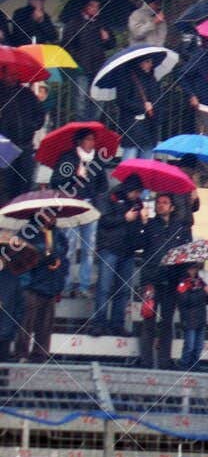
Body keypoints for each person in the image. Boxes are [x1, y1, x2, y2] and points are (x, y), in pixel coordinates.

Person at [51, 127, 109, 303]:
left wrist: (95, 194)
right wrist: (73, 177)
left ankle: (84, 285)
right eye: (88, 139)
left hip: (89, 206)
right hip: (71, 205)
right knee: (69, 247)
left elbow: (103, 185)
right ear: (80, 141)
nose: (92, 143)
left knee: (88, 249)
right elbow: (56, 181)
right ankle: (66, 285)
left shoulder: (97, 159)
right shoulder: (67, 158)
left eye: (93, 139)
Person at [90, 175, 143, 336]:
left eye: (138, 193)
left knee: (123, 290)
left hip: (127, 250)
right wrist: (124, 218)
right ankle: (99, 323)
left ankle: (117, 324)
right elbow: (104, 221)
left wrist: (142, 220)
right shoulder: (108, 197)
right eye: (135, 192)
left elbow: (136, 227)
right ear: (128, 189)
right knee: (104, 288)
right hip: (110, 248)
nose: (137, 195)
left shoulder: (137, 204)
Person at [18, 214, 65, 362]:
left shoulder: (58, 233)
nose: (53, 218)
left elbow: (63, 249)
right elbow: (24, 253)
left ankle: (40, 354)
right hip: (31, 284)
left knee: (46, 324)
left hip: (51, 283)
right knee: (26, 323)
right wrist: (44, 256)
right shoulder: (27, 231)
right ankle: (21, 353)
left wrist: (57, 258)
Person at [112, 53, 162, 160]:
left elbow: (158, 102)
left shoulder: (153, 80)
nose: (150, 64)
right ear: (140, 62)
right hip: (132, 127)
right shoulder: (126, 78)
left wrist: (154, 110)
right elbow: (122, 101)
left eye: (151, 62)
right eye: (147, 61)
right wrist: (143, 108)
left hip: (149, 129)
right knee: (129, 162)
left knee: (146, 167)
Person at [174, 262, 208, 370]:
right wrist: (202, 293)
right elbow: (185, 300)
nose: (194, 271)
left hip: (200, 317)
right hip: (189, 318)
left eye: (195, 268)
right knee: (189, 345)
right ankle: (184, 363)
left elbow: (207, 300)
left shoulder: (200, 282)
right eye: (191, 268)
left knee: (199, 345)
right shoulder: (182, 283)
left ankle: (195, 363)